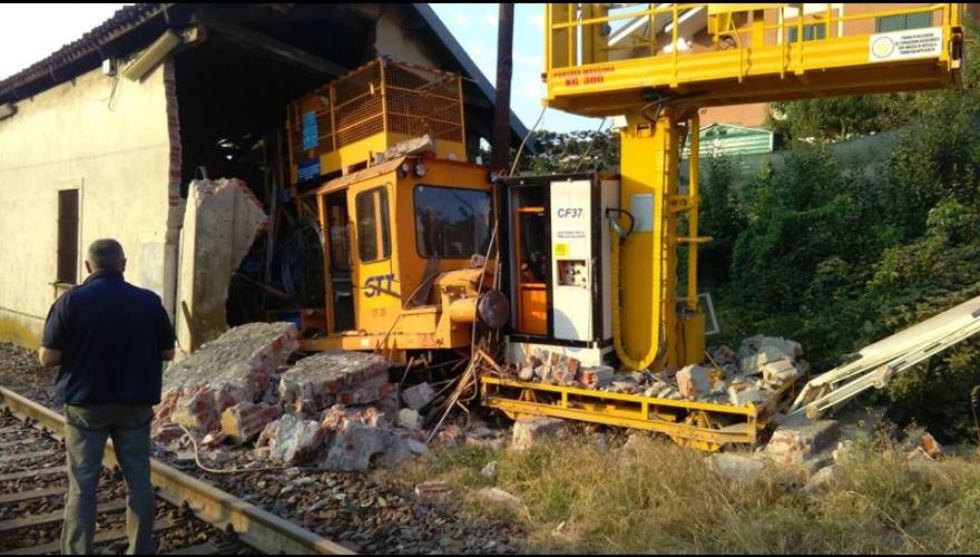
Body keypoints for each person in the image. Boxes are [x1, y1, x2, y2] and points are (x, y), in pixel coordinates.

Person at [39, 238, 176, 555]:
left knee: (83, 486)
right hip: (134, 404)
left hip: (86, 404)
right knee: (139, 481)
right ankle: (140, 549)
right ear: (123, 264)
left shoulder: (70, 301)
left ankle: (78, 550)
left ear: (88, 266)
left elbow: (48, 357)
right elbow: (168, 351)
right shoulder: (148, 301)